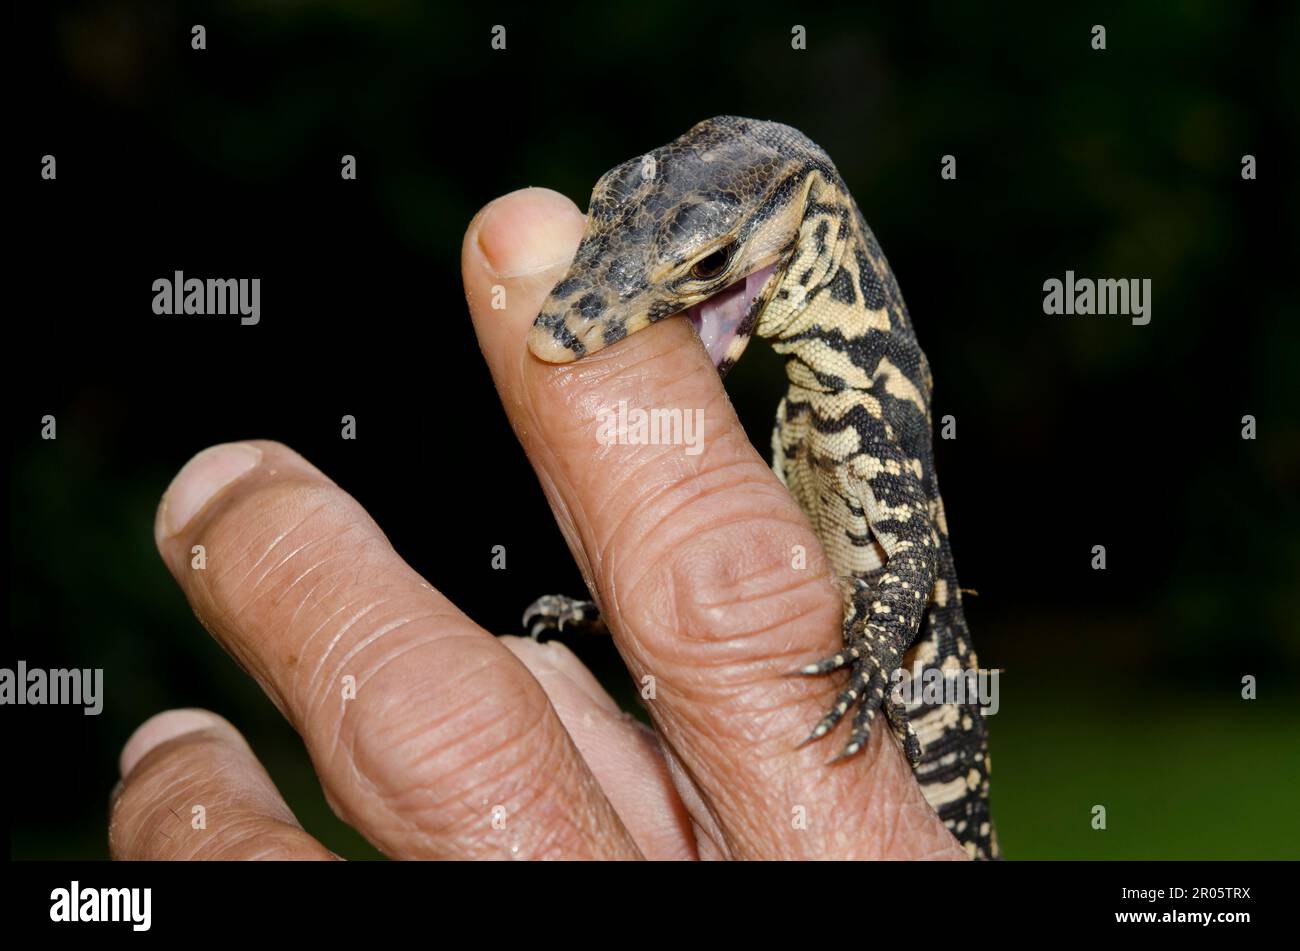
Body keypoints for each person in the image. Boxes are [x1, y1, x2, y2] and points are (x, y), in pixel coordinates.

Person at [108, 188, 966, 861]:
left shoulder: (880, 405)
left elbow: (911, 552)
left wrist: (859, 666)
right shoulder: (817, 410)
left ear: (806, 237)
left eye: (705, 263)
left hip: (936, 775)